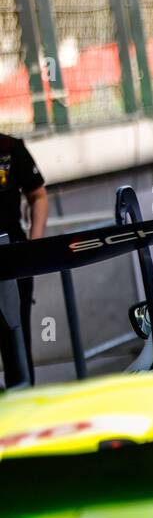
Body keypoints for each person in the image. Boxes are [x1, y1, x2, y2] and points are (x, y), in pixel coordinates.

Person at [0, 133, 47, 389]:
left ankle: (23, 409)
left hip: (13, 262)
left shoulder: (9, 147)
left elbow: (38, 195)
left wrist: (34, 246)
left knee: (17, 346)